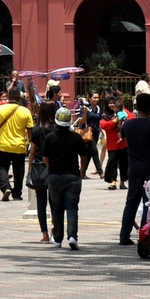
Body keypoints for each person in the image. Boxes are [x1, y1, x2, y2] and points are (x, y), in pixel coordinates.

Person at [38, 106, 93, 249]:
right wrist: (81, 171)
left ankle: (57, 238)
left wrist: (51, 168)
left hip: (54, 176)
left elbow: (45, 158)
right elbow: (84, 156)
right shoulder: (76, 137)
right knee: (72, 207)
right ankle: (72, 236)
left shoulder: (50, 137)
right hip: (73, 176)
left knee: (57, 209)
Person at [118, 94, 150, 246]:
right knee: (148, 202)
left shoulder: (127, 124)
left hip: (134, 167)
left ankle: (124, 236)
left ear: (136, 107)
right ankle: (144, 236)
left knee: (131, 202)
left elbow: (122, 136)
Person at [0, 87, 34, 202]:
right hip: (19, 146)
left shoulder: (0, 109)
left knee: (2, 167)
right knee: (18, 170)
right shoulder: (26, 111)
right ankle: (17, 193)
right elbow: (30, 131)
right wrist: (32, 144)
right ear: (19, 98)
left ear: (8, 97)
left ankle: (6, 187)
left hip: (4, 145)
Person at [26, 101, 58, 242]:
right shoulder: (57, 129)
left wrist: (29, 169)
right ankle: (55, 229)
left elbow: (32, 152)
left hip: (39, 167)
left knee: (41, 202)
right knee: (55, 201)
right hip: (54, 166)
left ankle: (44, 234)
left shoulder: (37, 129)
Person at [100, 104, 128, 189]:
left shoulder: (122, 112)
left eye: (113, 103)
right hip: (112, 144)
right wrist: (114, 122)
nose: (112, 105)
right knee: (112, 163)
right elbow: (103, 125)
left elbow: (130, 119)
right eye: (110, 102)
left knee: (124, 163)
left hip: (122, 143)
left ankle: (122, 182)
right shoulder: (105, 115)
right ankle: (113, 182)